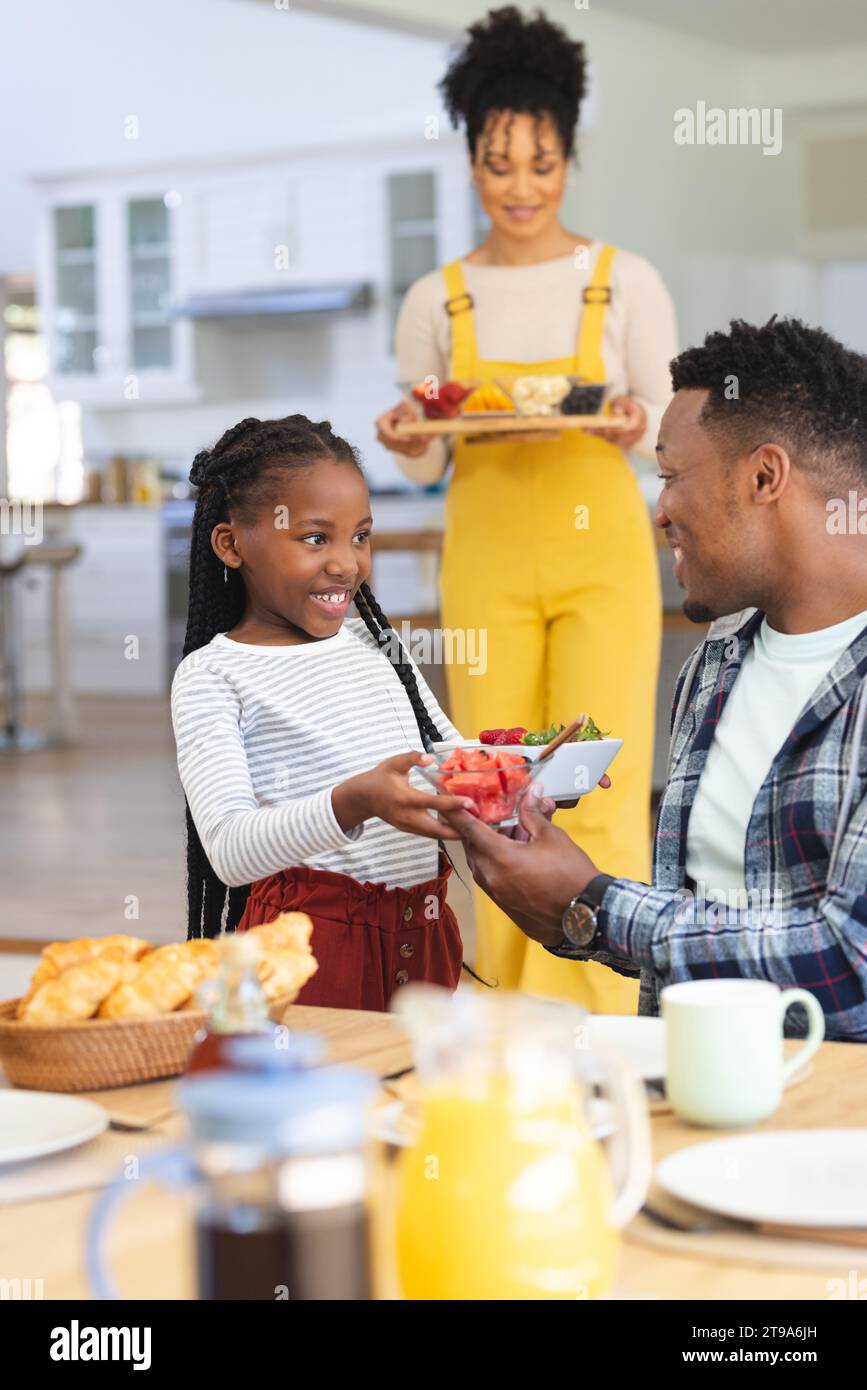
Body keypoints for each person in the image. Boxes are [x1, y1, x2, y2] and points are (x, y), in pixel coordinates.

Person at [441, 316, 867, 1041]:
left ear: (765, 475)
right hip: (698, 1101)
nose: (659, 510)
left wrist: (590, 905)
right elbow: (704, 933)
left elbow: (850, 967)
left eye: (669, 476)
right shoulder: (718, 661)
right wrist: (566, 901)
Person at [376, 6, 676, 1013]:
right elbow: (423, 463)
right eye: (500, 163)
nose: (521, 186)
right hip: (487, 558)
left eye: (541, 163)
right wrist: (412, 441)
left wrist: (633, 424)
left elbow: (666, 428)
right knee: (494, 788)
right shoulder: (437, 300)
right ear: (470, 161)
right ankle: (509, 1021)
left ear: (569, 159)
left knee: (601, 785)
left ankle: (610, 1014)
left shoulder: (622, 280)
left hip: (606, 556)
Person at [171, 414, 478, 1011]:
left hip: (425, 932)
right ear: (232, 544)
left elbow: (449, 758)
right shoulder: (214, 675)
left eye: (360, 536)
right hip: (309, 947)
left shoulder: (375, 642)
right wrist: (353, 801)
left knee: (411, 1099)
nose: (347, 563)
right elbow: (230, 851)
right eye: (316, 538)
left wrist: (521, 776)